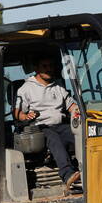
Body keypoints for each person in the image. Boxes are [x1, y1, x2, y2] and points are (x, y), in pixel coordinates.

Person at [15, 55, 83, 192]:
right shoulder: (26, 88)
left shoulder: (58, 86)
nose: (48, 69)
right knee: (53, 139)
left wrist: (80, 112)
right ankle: (68, 175)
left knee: (79, 135)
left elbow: (71, 107)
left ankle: (89, 171)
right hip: (40, 127)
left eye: (50, 66)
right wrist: (26, 116)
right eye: (44, 66)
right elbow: (17, 113)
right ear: (36, 69)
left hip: (60, 125)